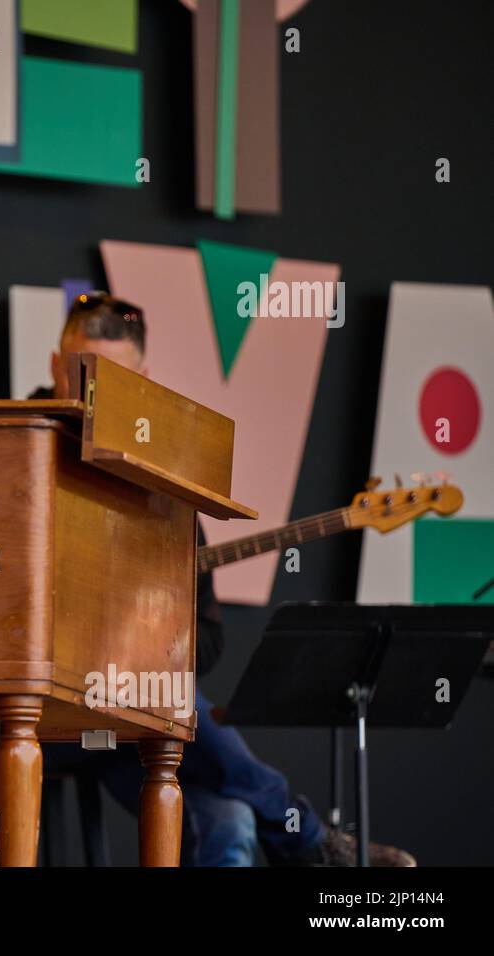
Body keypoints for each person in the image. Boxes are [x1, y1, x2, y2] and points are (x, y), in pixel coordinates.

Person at [34, 291, 415, 867]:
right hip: (49, 724)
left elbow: (208, 641)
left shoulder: (160, 480)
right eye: (81, 371)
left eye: (111, 378)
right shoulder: (18, 449)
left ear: (143, 379)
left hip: (136, 729)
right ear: (55, 367)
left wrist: (154, 630)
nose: (91, 391)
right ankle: (313, 841)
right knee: (178, 697)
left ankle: (302, 837)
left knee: (232, 819)